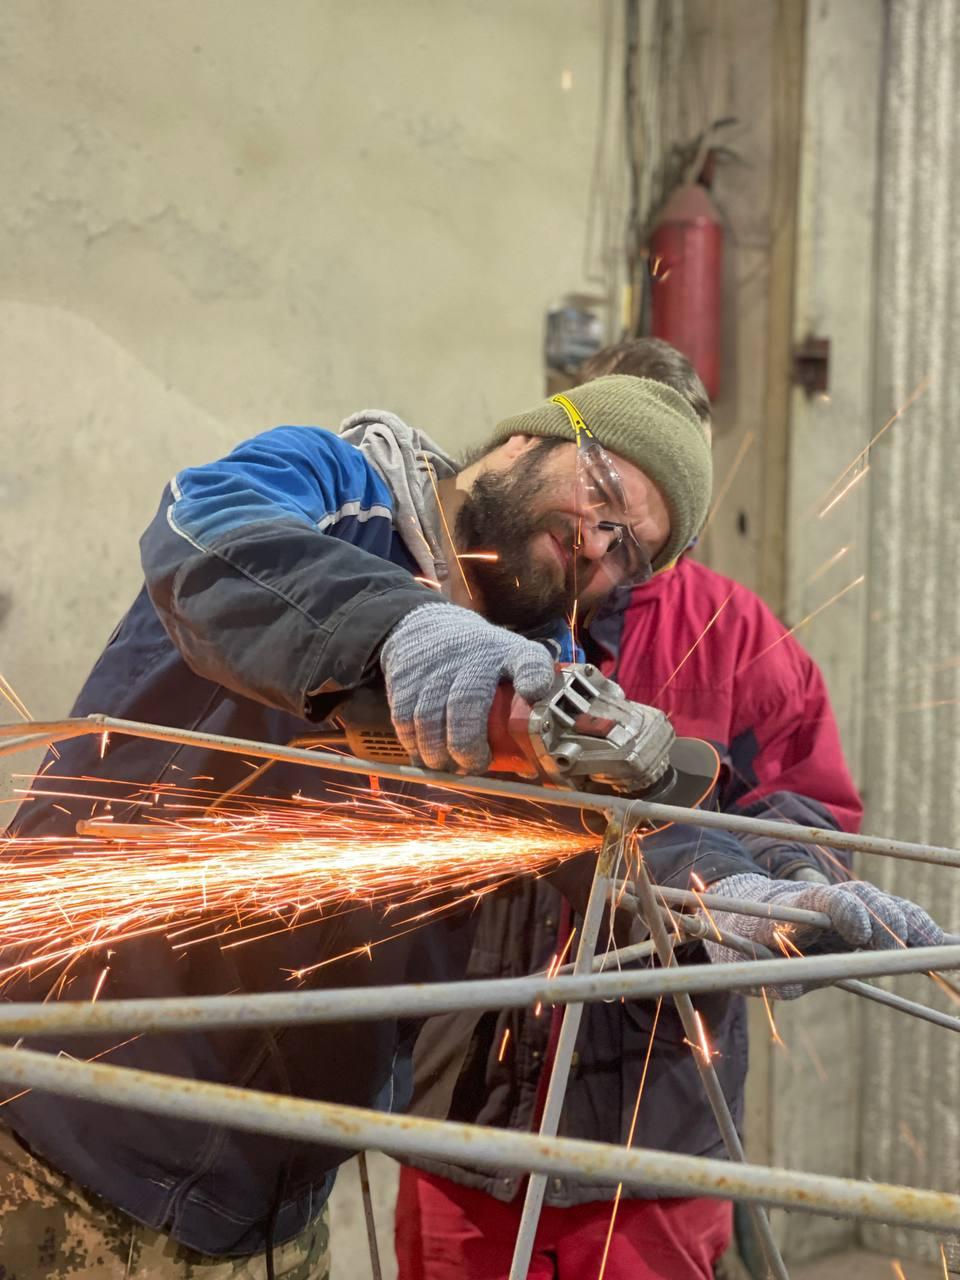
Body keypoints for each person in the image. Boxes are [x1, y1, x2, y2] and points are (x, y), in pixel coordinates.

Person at [0, 373, 714, 1277]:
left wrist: (743, 881)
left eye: (627, 550)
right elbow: (204, 539)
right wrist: (407, 632)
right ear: (527, 438)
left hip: (277, 1190)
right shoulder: (328, 483)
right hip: (65, 1123)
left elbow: (609, 836)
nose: (595, 544)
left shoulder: (540, 675)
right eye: (603, 495)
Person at [395, 339, 948, 1280]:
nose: (608, 530)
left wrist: (785, 891)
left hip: (656, 1132)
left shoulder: (737, 636)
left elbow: (806, 808)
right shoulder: (485, 590)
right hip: (470, 1113)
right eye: (610, 473)